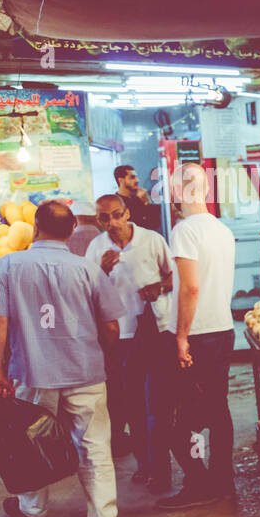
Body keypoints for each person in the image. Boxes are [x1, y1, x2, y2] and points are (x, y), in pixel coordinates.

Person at [0, 201, 126, 517]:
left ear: (36, 228)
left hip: (32, 372)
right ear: (72, 231)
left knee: (30, 441)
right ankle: (104, 515)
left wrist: (0, 371)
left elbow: (0, 325)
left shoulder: (7, 267)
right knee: (93, 441)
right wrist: (103, 355)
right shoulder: (88, 269)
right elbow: (112, 327)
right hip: (85, 371)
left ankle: (32, 508)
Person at [156, 163, 235, 510]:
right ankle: (221, 481)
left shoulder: (185, 230)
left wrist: (181, 337)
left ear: (180, 190)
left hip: (197, 335)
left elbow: (189, 287)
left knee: (178, 419)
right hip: (223, 330)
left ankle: (200, 483)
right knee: (217, 411)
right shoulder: (221, 229)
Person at [85, 193, 175, 485]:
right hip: (119, 338)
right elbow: (85, 293)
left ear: (126, 214)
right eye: (103, 217)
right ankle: (145, 464)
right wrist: (101, 272)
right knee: (131, 405)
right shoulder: (96, 248)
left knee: (158, 404)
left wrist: (157, 287)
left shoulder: (151, 240)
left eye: (115, 215)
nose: (110, 222)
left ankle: (162, 468)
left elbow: (174, 277)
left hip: (154, 331)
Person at [114, 164, 163, 235]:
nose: (137, 180)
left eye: (136, 177)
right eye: (132, 177)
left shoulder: (138, 200)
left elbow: (154, 224)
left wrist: (146, 202)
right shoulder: (116, 203)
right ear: (121, 180)